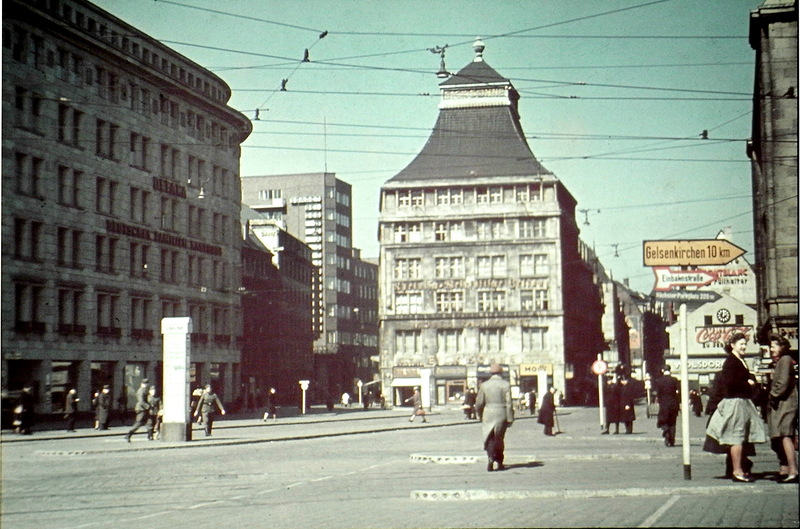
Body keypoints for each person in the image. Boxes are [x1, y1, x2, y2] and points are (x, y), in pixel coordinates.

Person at [703, 331, 768, 482]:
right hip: (736, 402)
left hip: (741, 401)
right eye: (741, 344)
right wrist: (748, 384)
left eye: (745, 344)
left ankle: (738, 470)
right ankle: (737, 471)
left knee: (740, 437)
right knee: (736, 437)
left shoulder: (739, 360)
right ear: (733, 345)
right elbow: (731, 384)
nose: (744, 346)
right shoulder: (732, 361)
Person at [767, 334, 798, 483]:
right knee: (780, 436)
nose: (771, 349)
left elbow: (783, 382)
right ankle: (785, 468)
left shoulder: (785, 360)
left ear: (782, 346)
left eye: (773, 346)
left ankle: (793, 470)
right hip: (782, 403)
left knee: (785, 434)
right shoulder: (781, 361)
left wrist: (773, 394)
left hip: (786, 403)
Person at [475, 364, 514, 471]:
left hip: (488, 413)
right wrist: (510, 417)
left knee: (489, 438)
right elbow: (509, 403)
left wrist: (479, 414)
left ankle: (490, 458)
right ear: (501, 373)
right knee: (499, 439)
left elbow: (479, 403)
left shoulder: (484, 385)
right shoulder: (505, 385)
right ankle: (500, 462)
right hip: (501, 413)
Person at [654, 367, 680, 446]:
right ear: (670, 370)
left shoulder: (659, 381)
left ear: (663, 370)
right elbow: (678, 392)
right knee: (672, 423)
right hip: (673, 404)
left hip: (664, 405)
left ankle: (666, 432)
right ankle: (672, 441)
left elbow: (658, 393)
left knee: (663, 421)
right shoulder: (675, 380)